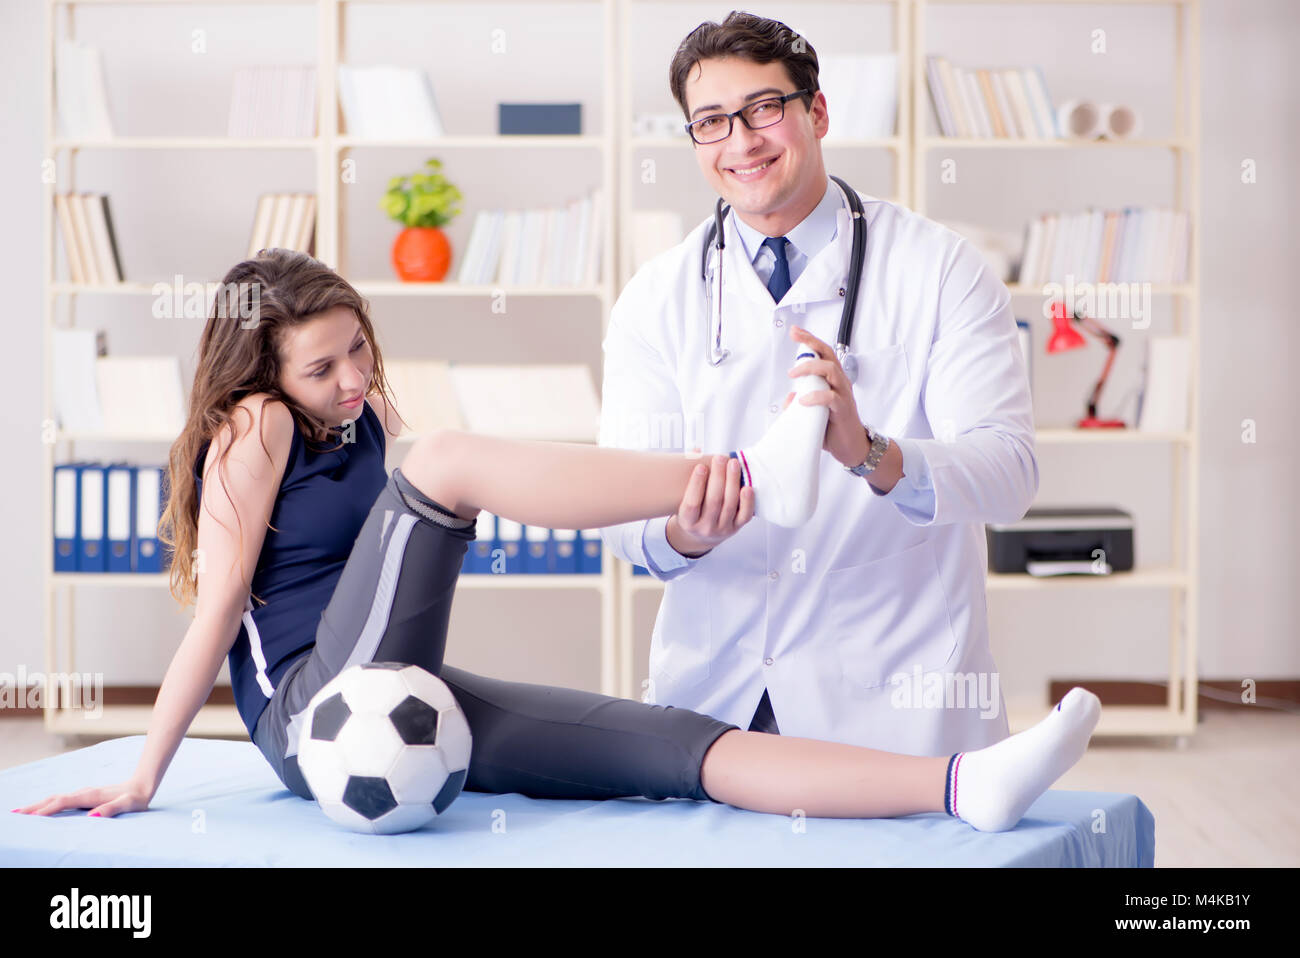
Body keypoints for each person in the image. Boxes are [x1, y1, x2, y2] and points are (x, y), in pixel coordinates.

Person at [12, 249, 1093, 835]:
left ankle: (955, 785)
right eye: (322, 368)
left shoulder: (367, 416)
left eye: (356, 351)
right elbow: (218, 617)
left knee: (675, 741)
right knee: (444, 461)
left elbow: (404, 566)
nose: (352, 380)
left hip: (395, 693)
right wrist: (145, 778)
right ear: (261, 370)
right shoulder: (252, 427)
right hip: (311, 717)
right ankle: (753, 473)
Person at [598, 11, 1038, 756]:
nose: (741, 142)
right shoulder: (656, 295)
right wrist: (686, 533)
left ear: (817, 111)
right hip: (718, 694)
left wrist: (874, 453)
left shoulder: (941, 269)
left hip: (896, 692)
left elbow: (1009, 475)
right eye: (711, 121)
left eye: (764, 108)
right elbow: (621, 512)